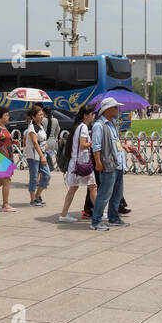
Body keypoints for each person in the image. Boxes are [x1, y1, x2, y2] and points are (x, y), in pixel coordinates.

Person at [58, 105, 96, 222]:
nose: (94, 116)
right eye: (92, 114)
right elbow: (82, 145)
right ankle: (98, 212)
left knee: (74, 188)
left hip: (75, 163)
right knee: (93, 187)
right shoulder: (83, 127)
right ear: (85, 115)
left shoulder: (78, 126)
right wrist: (92, 142)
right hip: (82, 163)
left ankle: (63, 215)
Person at [89, 98, 123, 231]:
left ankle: (113, 218)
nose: (117, 110)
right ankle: (96, 221)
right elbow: (96, 147)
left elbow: (115, 143)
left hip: (118, 163)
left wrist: (123, 146)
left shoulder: (112, 123)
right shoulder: (99, 126)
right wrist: (98, 162)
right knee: (104, 194)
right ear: (108, 110)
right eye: (115, 107)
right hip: (107, 163)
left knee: (117, 193)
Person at [25, 105, 50, 206]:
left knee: (47, 175)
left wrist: (46, 144)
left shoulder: (41, 126)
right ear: (33, 117)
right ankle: (32, 200)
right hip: (34, 156)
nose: (41, 116)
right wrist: (42, 156)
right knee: (34, 178)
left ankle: (37, 195)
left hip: (41, 154)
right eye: (39, 115)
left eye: (42, 114)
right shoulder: (31, 128)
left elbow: (43, 139)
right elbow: (35, 143)